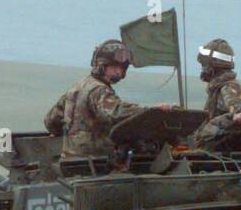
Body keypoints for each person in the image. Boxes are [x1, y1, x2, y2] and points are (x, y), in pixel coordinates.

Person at [43, 40, 172, 176]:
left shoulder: (76, 88)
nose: (119, 71)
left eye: (122, 68)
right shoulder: (99, 90)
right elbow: (116, 113)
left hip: (70, 163)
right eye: (114, 67)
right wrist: (151, 111)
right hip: (97, 166)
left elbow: (51, 122)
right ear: (101, 66)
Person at [192, 38, 241, 148]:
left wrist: (240, 113)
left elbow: (237, 104)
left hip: (221, 149)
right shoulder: (217, 88)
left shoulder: (228, 87)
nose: (202, 70)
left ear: (211, 67)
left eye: (204, 66)